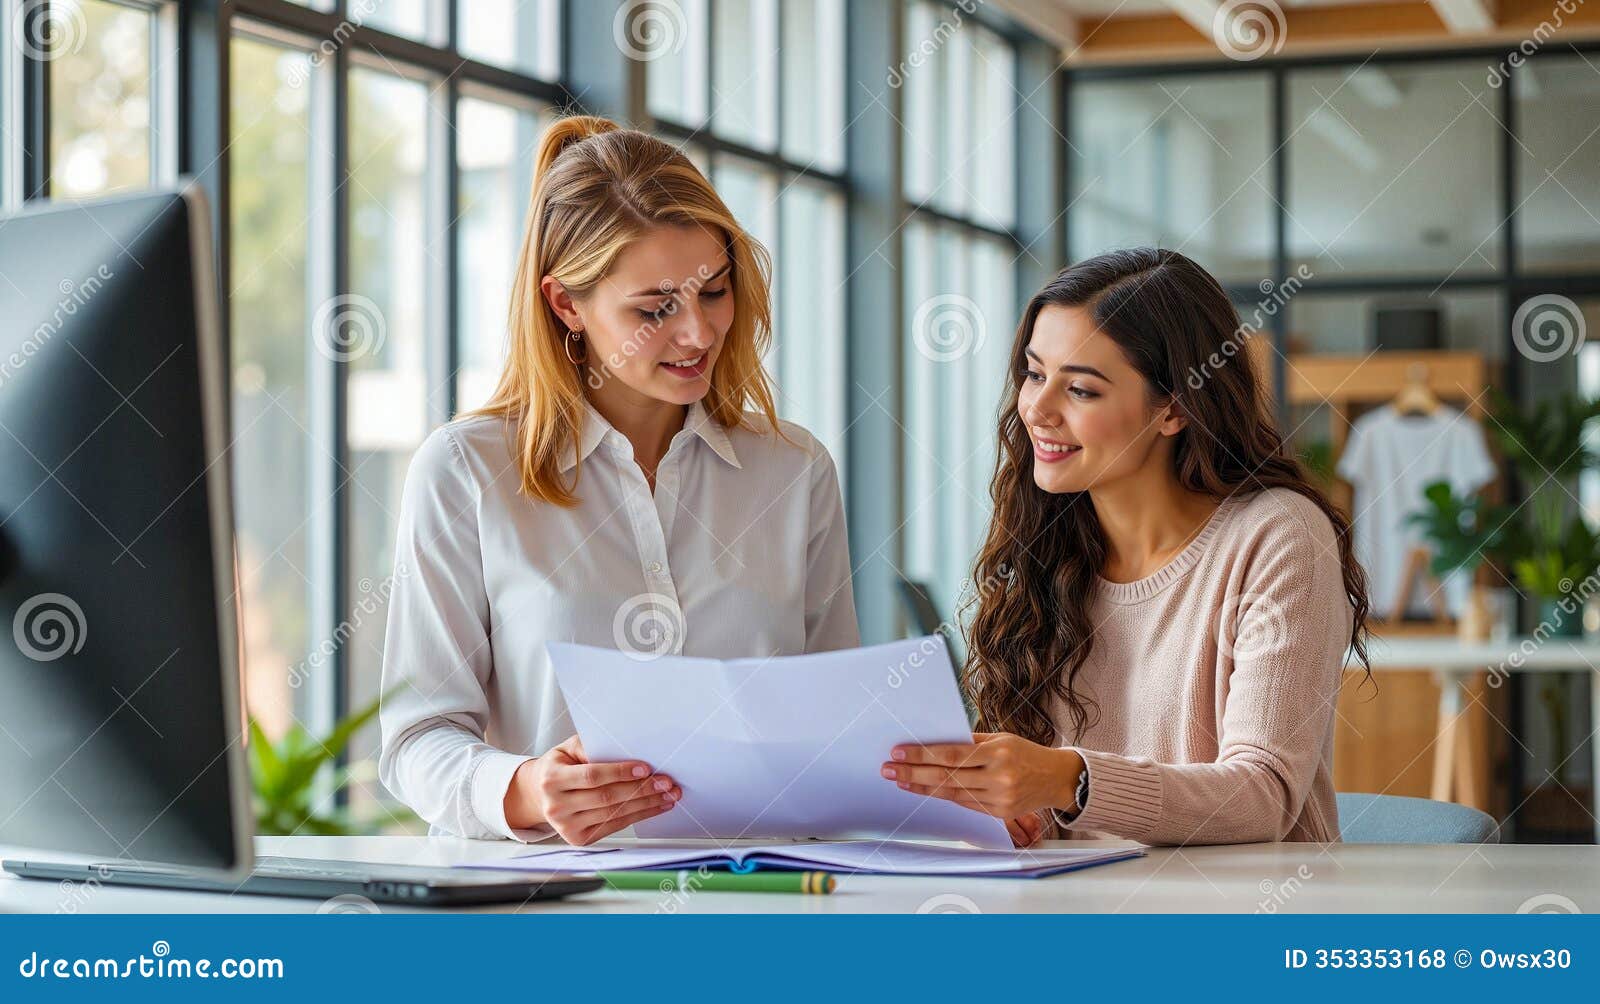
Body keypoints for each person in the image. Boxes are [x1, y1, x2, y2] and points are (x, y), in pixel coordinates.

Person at [378, 115, 859, 845]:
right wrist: (527, 789)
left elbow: (838, 722)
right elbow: (418, 738)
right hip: (553, 911)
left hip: (769, 901)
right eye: (656, 308)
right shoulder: (467, 471)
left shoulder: (794, 471)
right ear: (566, 303)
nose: (698, 332)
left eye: (715, 292)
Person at [881, 248, 1371, 847]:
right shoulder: (1050, 546)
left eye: (1081, 390)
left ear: (1174, 409)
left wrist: (1067, 780)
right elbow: (1051, 806)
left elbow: (1262, 797)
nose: (1036, 409)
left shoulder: (1278, 537)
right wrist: (1014, 809)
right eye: (1035, 374)